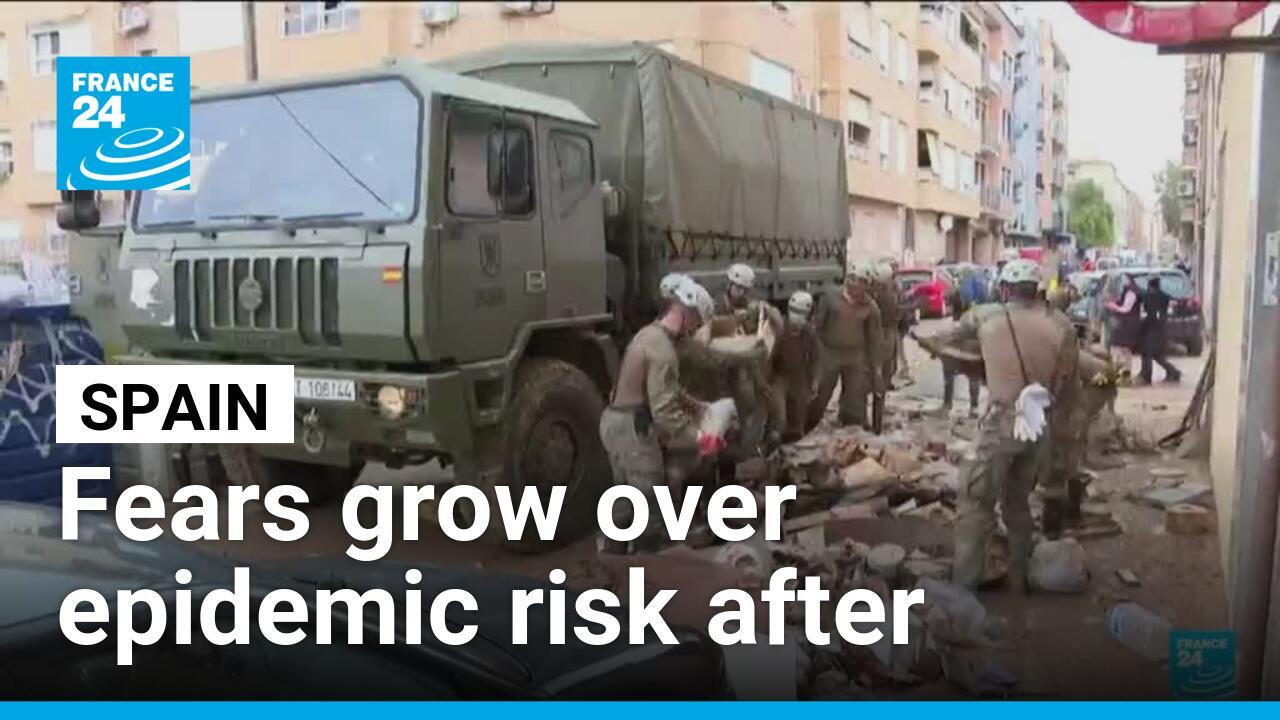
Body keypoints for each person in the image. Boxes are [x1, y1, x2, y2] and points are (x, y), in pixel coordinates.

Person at [919, 259, 1078, 592]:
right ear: (1036, 290)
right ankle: (1019, 579)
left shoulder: (987, 317)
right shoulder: (1061, 326)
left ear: (1005, 289)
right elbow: (1066, 383)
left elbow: (945, 338)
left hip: (1001, 424)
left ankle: (963, 588)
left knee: (975, 503)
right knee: (1017, 502)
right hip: (1038, 425)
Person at [599, 276, 721, 555]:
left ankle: (611, 562)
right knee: (650, 506)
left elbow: (668, 389)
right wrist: (699, 437)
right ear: (685, 311)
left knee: (625, 501)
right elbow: (664, 411)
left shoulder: (648, 335)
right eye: (696, 322)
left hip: (615, 422)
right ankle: (646, 569)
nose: (695, 330)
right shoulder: (664, 350)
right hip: (633, 429)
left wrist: (697, 406)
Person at [808, 262, 883, 430]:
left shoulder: (870, 307)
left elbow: (874, 339)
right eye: (853, 280)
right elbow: (817, 328)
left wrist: (876, 368)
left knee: (855, 396)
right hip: (830, 353)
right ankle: (809, 424)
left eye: (862, 282)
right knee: (821, 392)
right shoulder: (830, 298)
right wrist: (815, 356)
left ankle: (851, 427)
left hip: (855, 356)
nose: (856, 285)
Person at [769, 291, 819, 442]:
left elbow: (815, 358)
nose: (797, 317)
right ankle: (773, 441)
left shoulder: (809, 332)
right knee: (780, 418)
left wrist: (815, 381)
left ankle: (793, 441)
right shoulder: (778, 329)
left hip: (799, 376)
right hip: (779, 376)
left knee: (798, 417)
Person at [1137, 276, 1182, 385]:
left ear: (1150, 286)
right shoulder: (1164, 296)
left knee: (1147, 353)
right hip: (1161, 328)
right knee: (1157, 354)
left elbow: (1147, 313)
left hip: (1150, 329)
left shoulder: (1148, 296)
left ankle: (1146, 376)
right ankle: (1173, 372)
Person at [1104, 273, 1142, 374]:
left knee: (1120, 349)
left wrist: (1113, 306)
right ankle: (1124, 372)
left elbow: (1126, 309)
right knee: (1123, 350)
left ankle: (1122, 372)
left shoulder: (1131, 292)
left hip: (1126, 325)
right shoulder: (1129, 291)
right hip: (1126, 324)